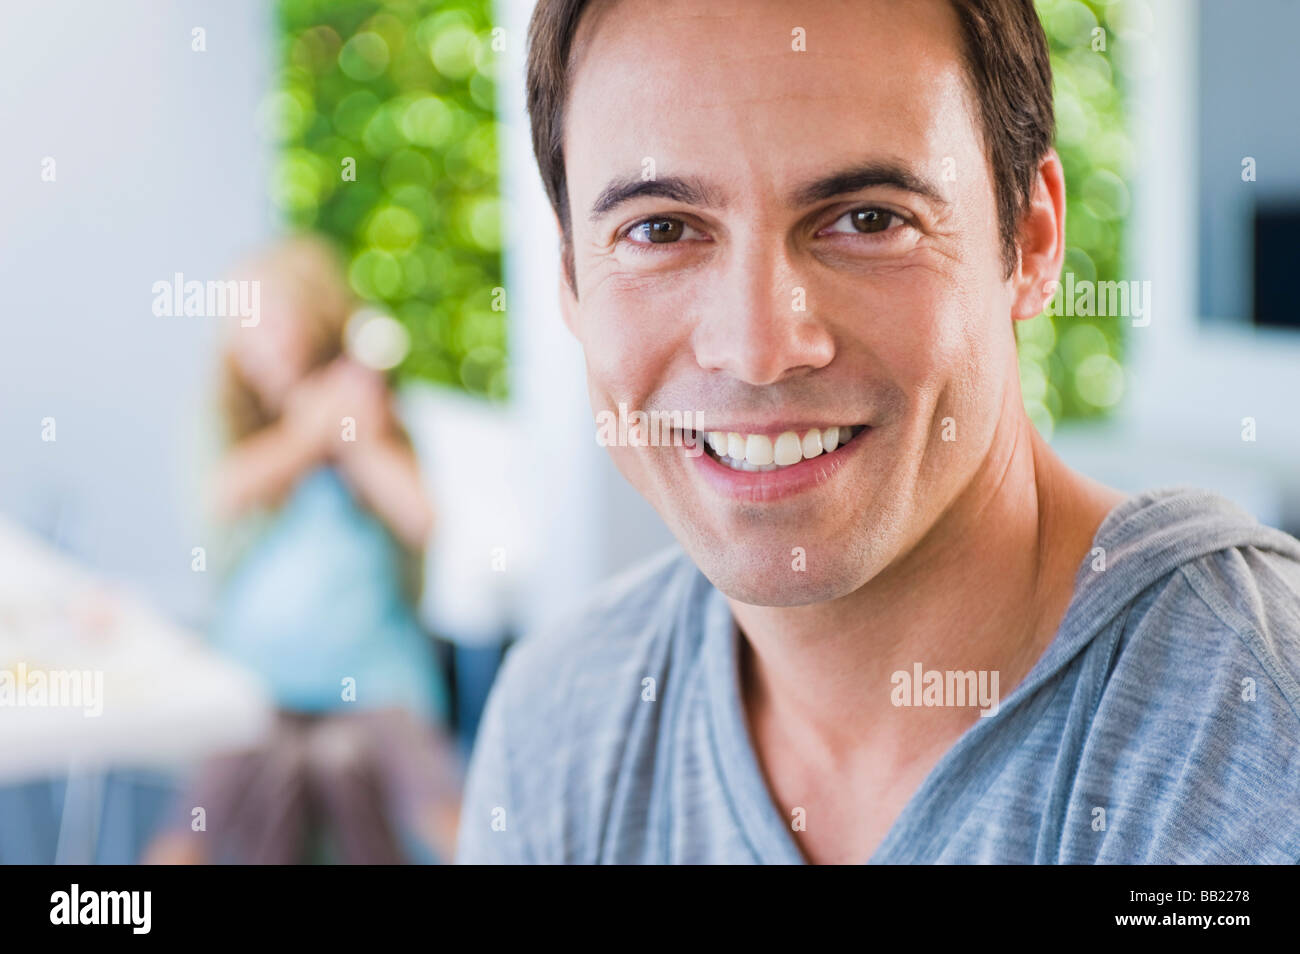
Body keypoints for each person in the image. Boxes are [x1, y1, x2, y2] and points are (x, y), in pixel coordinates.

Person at [456, 0, 1300, 864]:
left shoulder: (1260, 739)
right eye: (660, 230)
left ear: (1033, 240)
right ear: (571, 282)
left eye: (867, 219)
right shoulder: (556, 723)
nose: (758, 349)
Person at [146, 235, 461, 864]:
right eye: (241, 324)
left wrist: (353, 433)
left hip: (376, 676)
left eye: (268, 318)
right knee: (198, 818)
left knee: (433, 799)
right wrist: (308, 425)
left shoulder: (376, 412)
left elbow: (421, 518)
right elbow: (222, 494)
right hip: (257, 676)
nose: (253, 338)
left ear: (315, 318)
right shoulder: (224, 422)